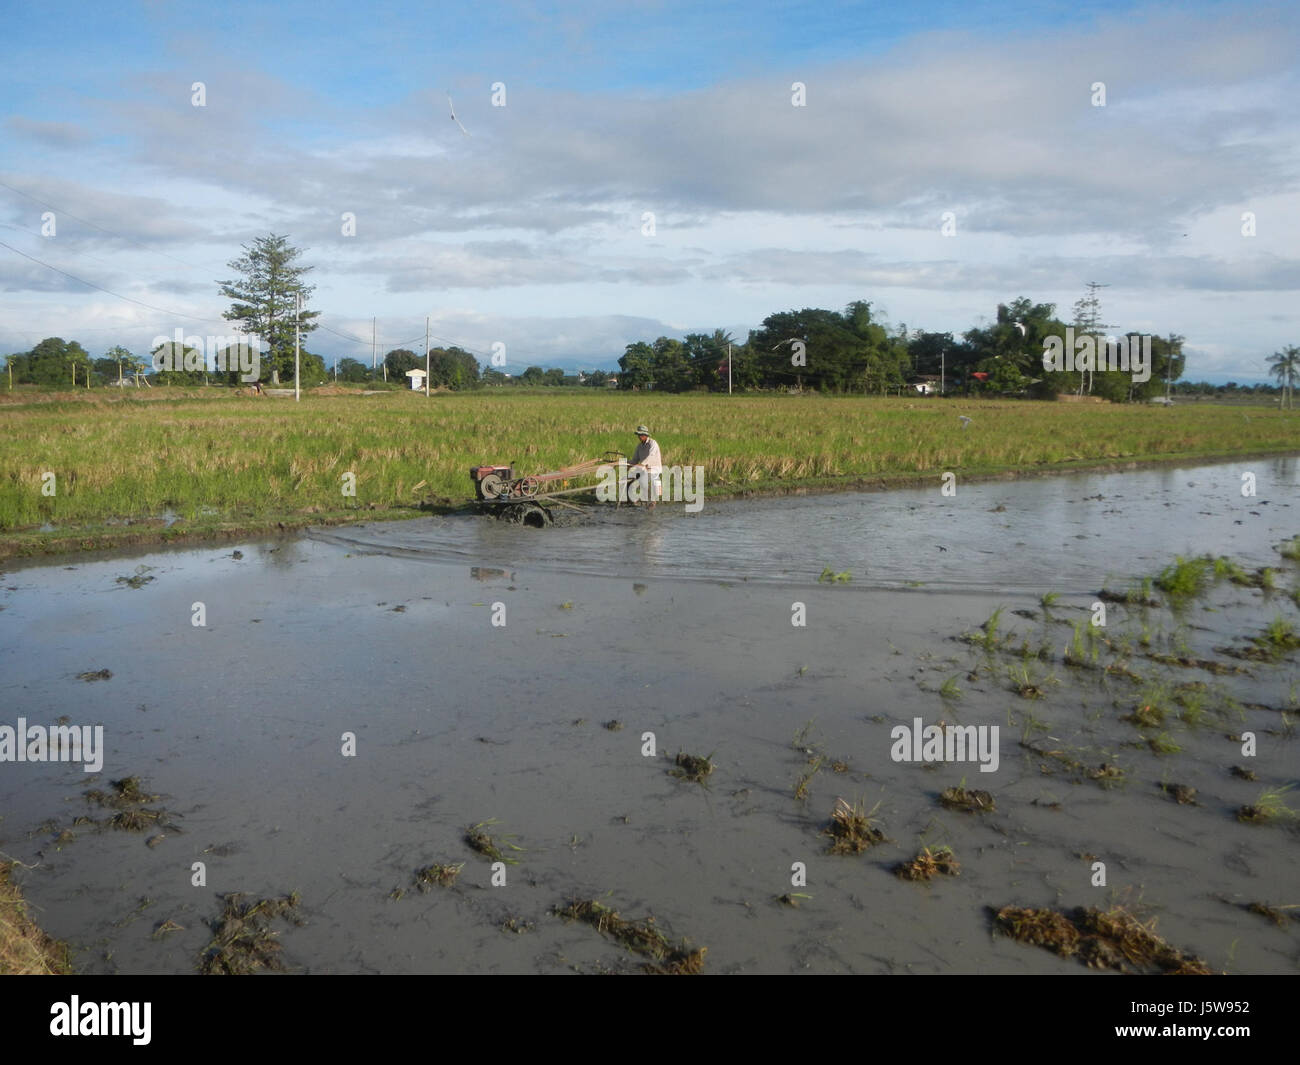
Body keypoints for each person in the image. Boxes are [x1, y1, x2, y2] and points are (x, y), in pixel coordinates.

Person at [629, 424, 662, 506]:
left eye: (641, 435)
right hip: (643, 469)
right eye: (639, 435)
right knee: (628, 478)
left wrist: (642, 464)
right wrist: (627, 463)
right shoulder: (639, 446)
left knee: (643, 479)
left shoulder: (653, 443)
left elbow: (651, 456)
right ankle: (633, 500)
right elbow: (635, 459)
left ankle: (652, 500)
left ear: (646, 435)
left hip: (653, 469)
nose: (640, 437)